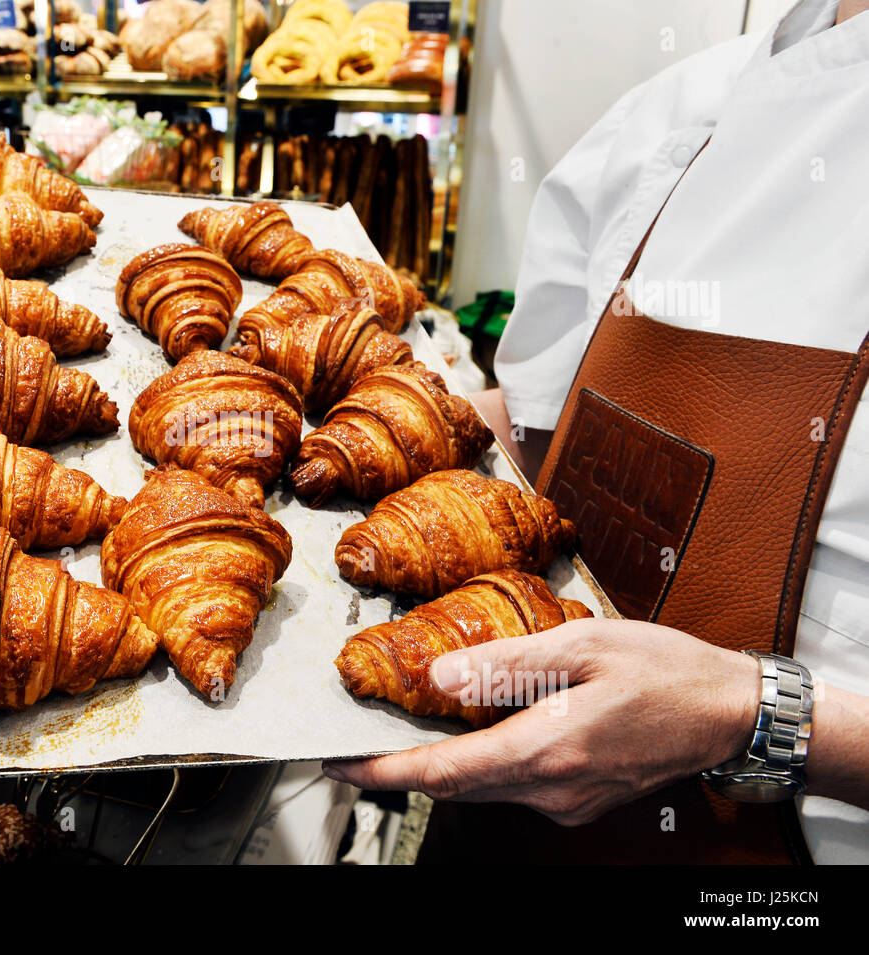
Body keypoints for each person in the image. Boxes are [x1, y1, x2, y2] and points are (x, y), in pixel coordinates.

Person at [324, 0, 869, 864]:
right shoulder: (675, 114)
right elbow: (538, 440)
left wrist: (747, 712)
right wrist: (360, 420)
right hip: (497, 811)